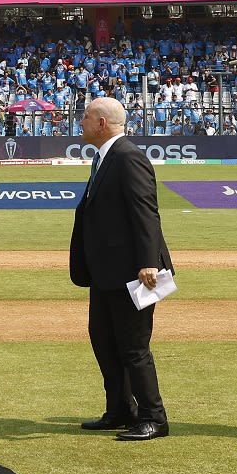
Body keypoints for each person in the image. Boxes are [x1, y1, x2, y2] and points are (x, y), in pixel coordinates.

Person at [69, 96, 173, 441]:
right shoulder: (105, 158)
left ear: (102, 123)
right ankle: (119, 410)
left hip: (133, 272)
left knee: (133, 347)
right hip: (105, 272)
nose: (80, 121)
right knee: (104, 340)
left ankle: (153, 418)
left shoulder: (128, 157)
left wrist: (147, 261)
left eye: (85, 117)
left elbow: (146, 213)